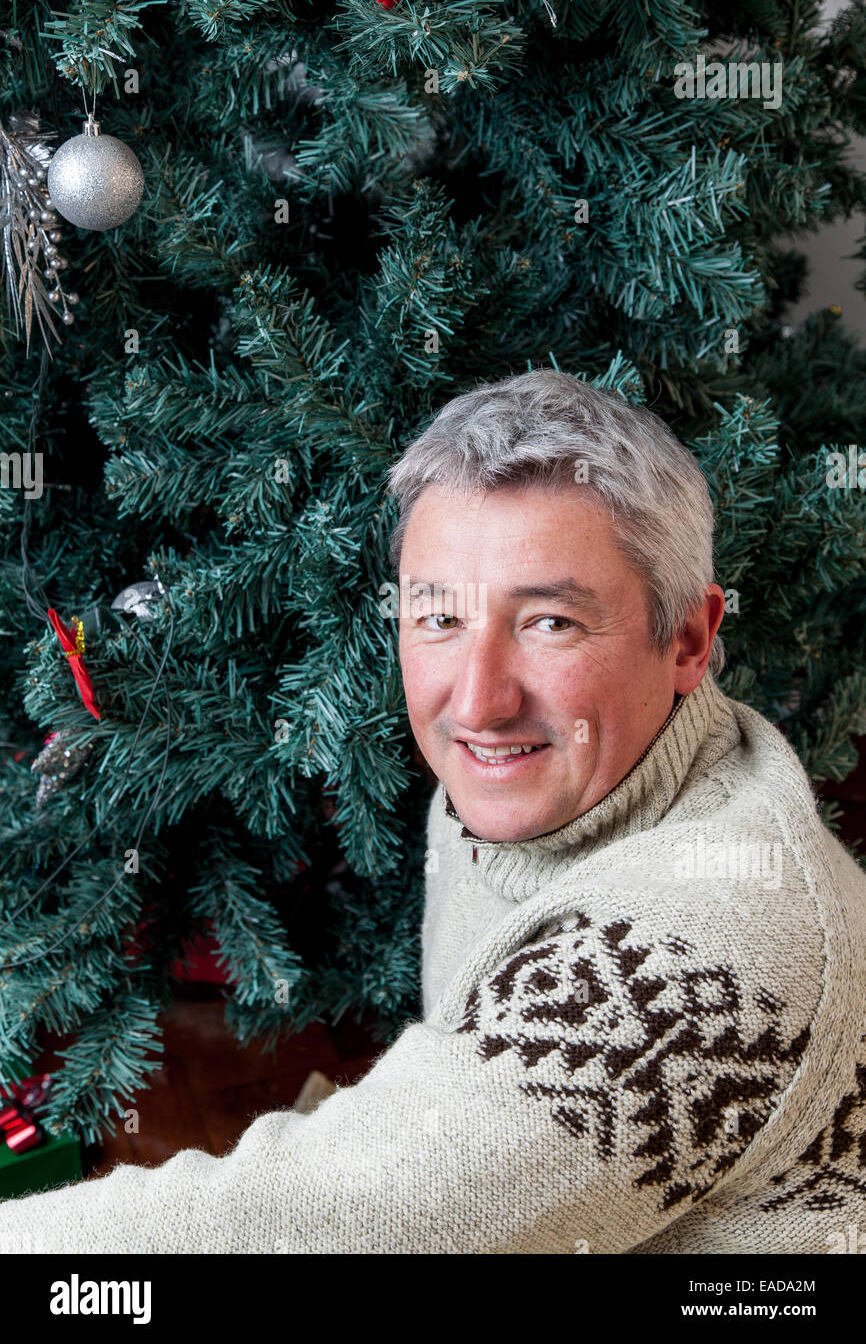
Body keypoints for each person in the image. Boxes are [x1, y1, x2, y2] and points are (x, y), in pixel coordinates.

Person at [1, 368, 864, 1254]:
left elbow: (326, 1230)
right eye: (440, 617)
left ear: (687, 639)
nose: (479, 704)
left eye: (551, 622)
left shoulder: (703, 947)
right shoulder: (535, 783)